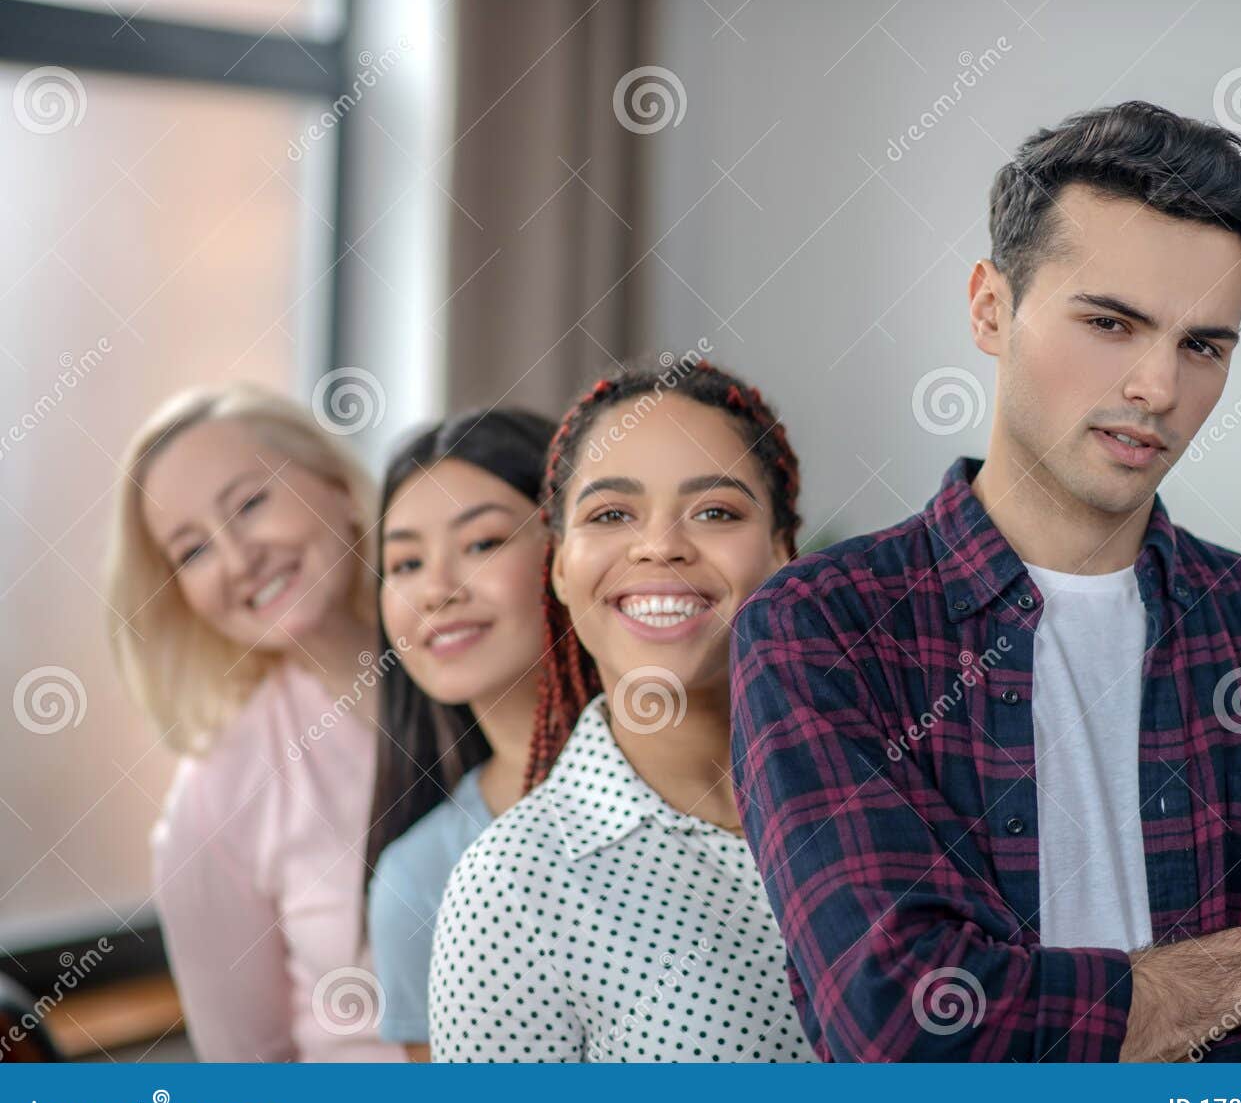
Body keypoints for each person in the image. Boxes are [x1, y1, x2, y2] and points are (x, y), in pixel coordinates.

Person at [730, 101, 1241, 1062]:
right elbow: (904, 1026)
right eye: (1111, 323)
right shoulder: (823, 632)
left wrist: (1051, 1029)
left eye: (1203, 345)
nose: (1158, 386)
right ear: (991, 308)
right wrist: (1227, 980)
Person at [427, 359, 814, 1062]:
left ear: (784, 552)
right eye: (610, 514)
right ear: (559, 567)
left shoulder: (899, 788)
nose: (661, 543)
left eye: (717, 511)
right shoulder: (512, 890)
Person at [106, 384, 402, 1061]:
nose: (239, 559)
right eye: (192, 550)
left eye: (249, 502)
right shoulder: (214, 799)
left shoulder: (492, 665)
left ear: (339, 489)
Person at [364, 407, 556, 1060]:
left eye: (481, 543)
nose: (436, 590)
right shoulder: (418, 879)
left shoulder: (732, 771)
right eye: (407, 562)